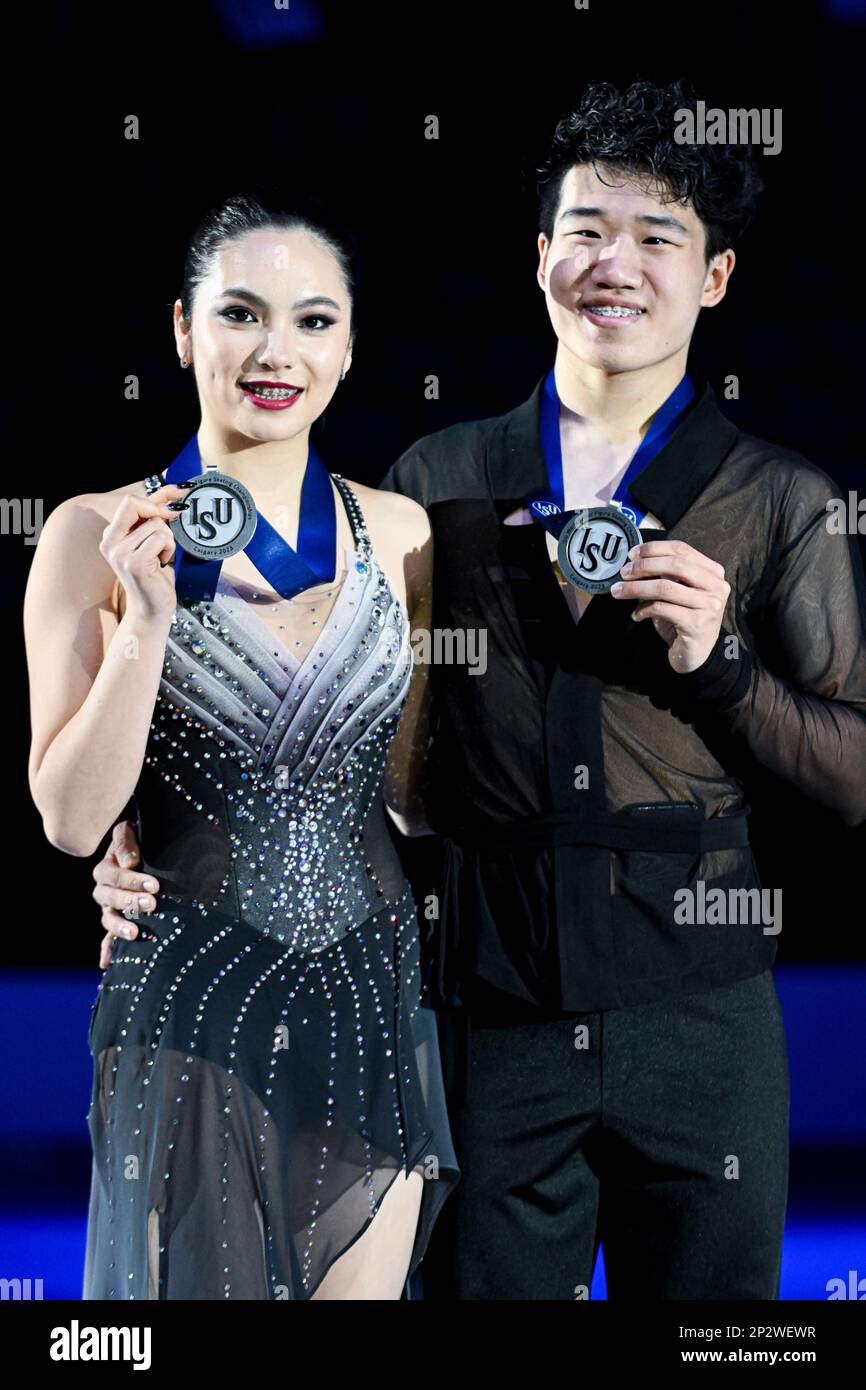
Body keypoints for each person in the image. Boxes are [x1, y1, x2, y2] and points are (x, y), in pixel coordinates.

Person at [92, 78, 866, 1301]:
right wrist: (158, 851)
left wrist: (723, 662)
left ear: (713, 277)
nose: (616, 261)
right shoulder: (433, 480)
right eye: (586, 230)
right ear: (540, 259)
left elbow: (853, 775)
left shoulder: (784, 499)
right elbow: (349, 744)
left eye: (658, 234)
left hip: (698, 1013)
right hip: (489, 1011)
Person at [24, 190, 459, 1300]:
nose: (278, 351)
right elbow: (74, 820)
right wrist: (146, 632)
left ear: (351, 346)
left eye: (314, 321)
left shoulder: (400, 534)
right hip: (190, 1004)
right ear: (181, 329)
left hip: (369, 996)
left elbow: (417, 796)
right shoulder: (88, 530)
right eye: (240, 314)